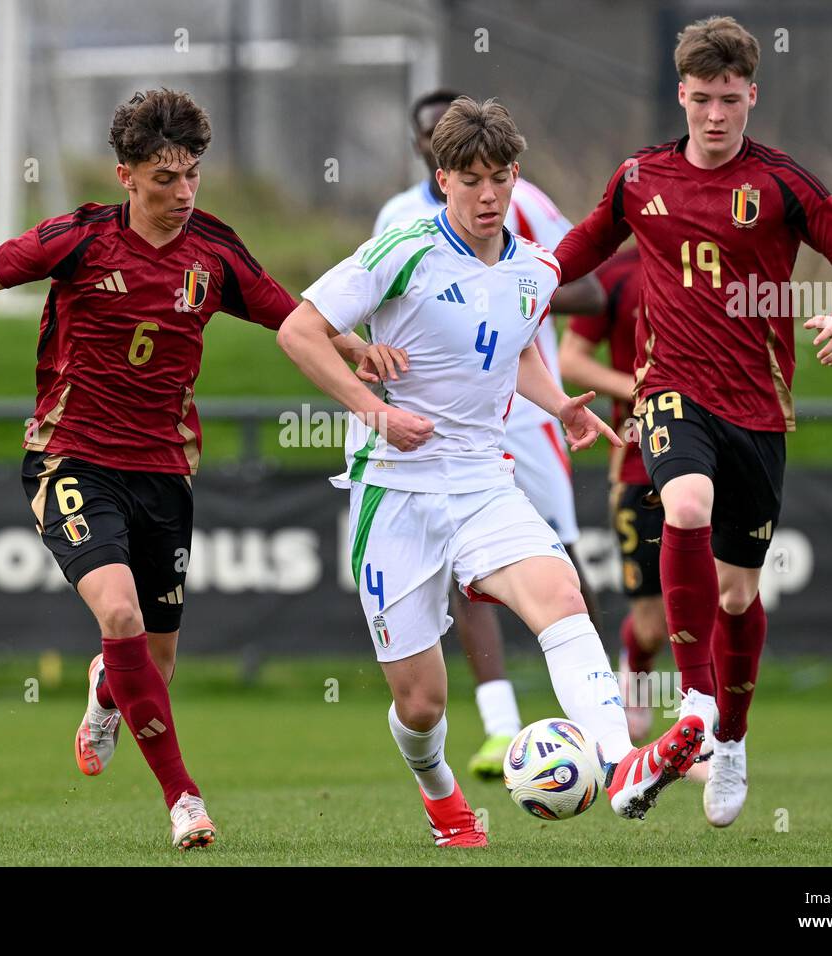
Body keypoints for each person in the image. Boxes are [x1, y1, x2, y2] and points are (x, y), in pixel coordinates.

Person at [0, 88, 382, 851]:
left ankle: (109, 687)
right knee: (119, 615)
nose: (181, 193)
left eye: (192, 175)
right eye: (163, 178)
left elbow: (299, 318)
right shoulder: (77, 239)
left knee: (153, 662)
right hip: (70, 458)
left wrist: (359, 349)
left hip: (166, 470)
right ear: (126, 175)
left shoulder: (215, 253)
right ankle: (185, 800)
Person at [278, 96, 708, 846]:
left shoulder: (534, 269)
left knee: (560, 591)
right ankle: (441, 794)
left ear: (516, 176)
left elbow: (514, 346)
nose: (487, 195)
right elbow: (299, 330)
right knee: (421, 705)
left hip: (482, 480)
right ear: (441, 178)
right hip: (395, 490)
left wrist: (559, 407)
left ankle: (623, 765)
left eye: (500, 178)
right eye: (470, 179)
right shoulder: (401, 250)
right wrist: (373, 409)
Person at [553, 17, 832, 826]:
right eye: (701, 99)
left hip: (759, 411)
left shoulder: (782, 186)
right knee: (685, 507)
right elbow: (583, 247)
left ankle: (731, 737)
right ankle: (697, 708)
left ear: (751, 97)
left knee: (738, 597)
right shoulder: (640, 177)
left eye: (729, 100)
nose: (714, 115)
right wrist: (526, 275)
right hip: (671, 390)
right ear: (681, 94)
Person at [375, 88, 607, 780]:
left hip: (526, 417)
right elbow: (325, 321)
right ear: (432, 158)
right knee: (458, 576)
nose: (485, 189)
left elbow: (589, 290)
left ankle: (610, 729)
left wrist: (499, 295)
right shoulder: (397, 222)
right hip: (424, 444)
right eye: (427, 141)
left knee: (557, 562)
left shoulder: (524, 205)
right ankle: (500, 725)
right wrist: (366, 374)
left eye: (494, 175)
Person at [558, 248, 669, 744]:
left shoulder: (725, 262)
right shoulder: (617, 275)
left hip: (719, 456)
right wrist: (641, 387)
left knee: (719, 598)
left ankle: (714, 734)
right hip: (640, 463)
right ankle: (637, 665)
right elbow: (570, 360)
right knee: (653, 627)